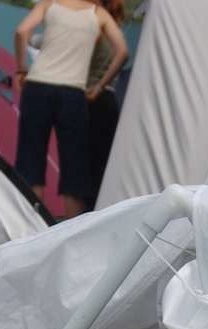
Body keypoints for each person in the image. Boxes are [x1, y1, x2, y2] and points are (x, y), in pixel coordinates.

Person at [13, 0, 127, 218]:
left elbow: (22, 31)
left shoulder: (50, 4)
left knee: (31, 160)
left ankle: (31, 226)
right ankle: (72, 229)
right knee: (74, 165)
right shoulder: (98, 13)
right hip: (72, 93)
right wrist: (100, 86)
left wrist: (21, 69)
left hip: (38, 86)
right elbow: (122, 52)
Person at [84, 0, 129, 206]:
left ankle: (88, 211)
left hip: (92, 97)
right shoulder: (115, 27)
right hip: (109, 101)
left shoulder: (98, 26)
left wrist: (100, 85)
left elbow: (122, 55)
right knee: (102, 160)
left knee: (87, 161)